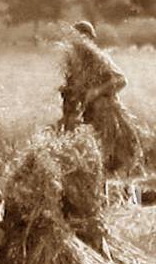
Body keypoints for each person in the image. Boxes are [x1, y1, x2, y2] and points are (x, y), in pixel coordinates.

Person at [60, 20, 141, 174]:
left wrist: (97, 92)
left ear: (90, 40)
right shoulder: (72, 63)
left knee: (105, 158)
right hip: (84, 116)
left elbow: (121, 80)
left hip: (104, 115)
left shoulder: (98, 59)